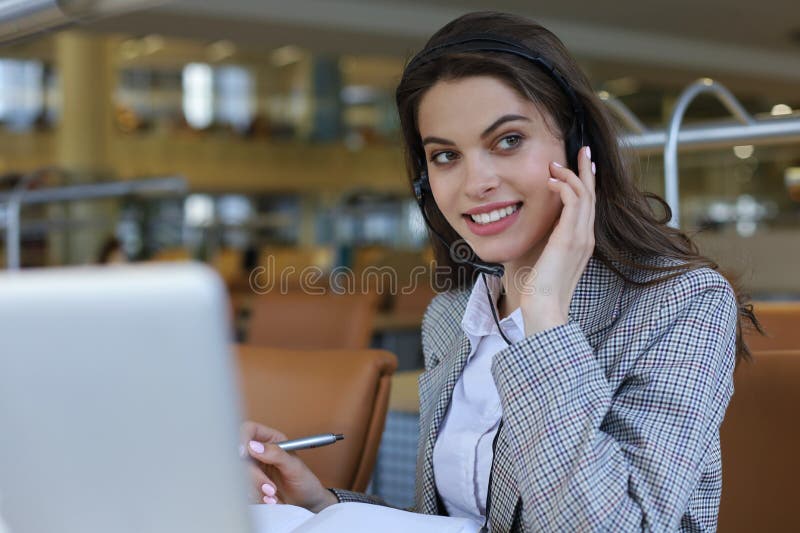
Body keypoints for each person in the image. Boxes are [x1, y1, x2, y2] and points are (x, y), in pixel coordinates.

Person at [241, 11, 760, 532]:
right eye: (445, 156)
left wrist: (545, 314)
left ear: (578, 146)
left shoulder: (684, 302)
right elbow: (467, 522)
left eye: (508, 140)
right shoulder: (453, 315)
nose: (475, 182)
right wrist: (324, 506)